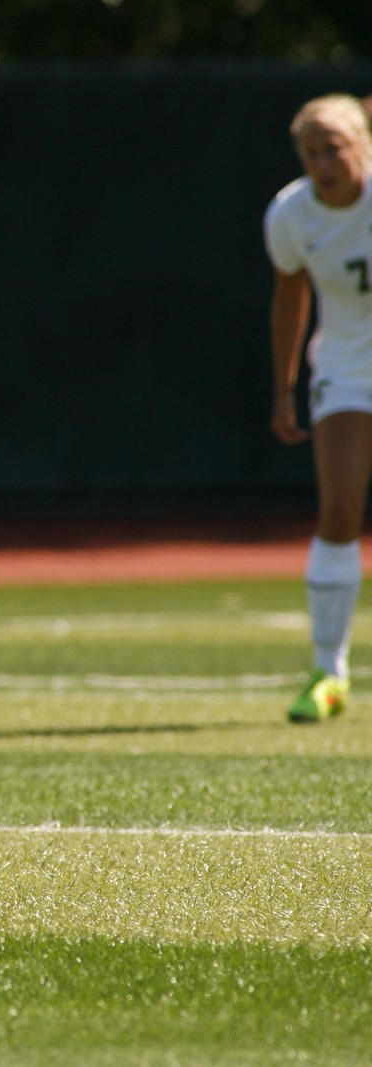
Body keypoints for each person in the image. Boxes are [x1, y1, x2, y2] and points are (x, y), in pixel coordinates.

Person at [265, 94, 372, 723]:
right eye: (311, 151)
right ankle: (328, 671)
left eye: (333, 147)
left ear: (360, 144)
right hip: (349, 369)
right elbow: (289, 297)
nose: (322, 162)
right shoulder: (291, 214)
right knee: (338, 506)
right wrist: (283, 387)